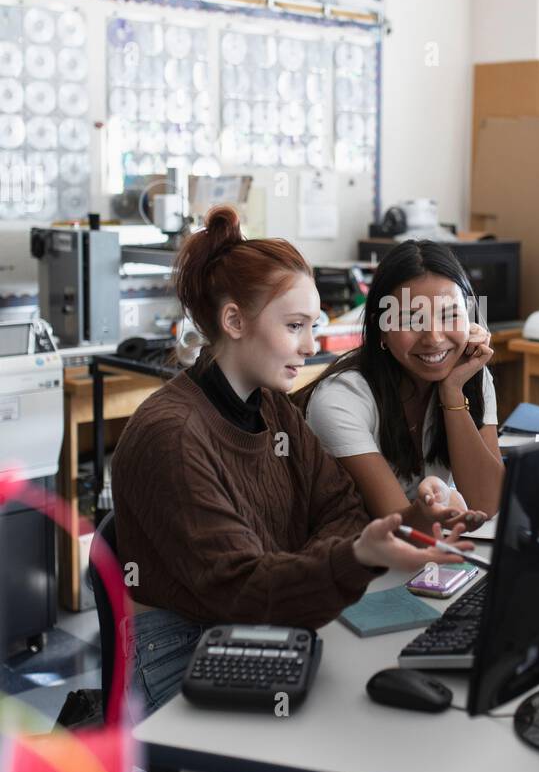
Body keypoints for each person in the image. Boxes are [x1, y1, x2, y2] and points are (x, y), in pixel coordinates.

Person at [111, 207, 469, 718]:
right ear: (234, 321)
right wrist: (350, 558)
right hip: (183, 651)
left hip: (271, 619)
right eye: (295, 326)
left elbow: (341, 510)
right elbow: (242, 590)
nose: (311, 345)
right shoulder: (172, 436)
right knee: (359, 724)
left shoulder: (272, 406)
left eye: (312, 325)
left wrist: (307, 566)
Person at [302, 239, 504, 533]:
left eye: (449, 315)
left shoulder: (469, 375)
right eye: (411, 319)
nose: (434, 338)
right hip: (355, 555)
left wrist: (452, 393)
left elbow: (486, 503)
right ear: (381, 329)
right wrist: (438, 509)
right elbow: (398, 529)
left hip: (426, 552)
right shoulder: (341, 399)